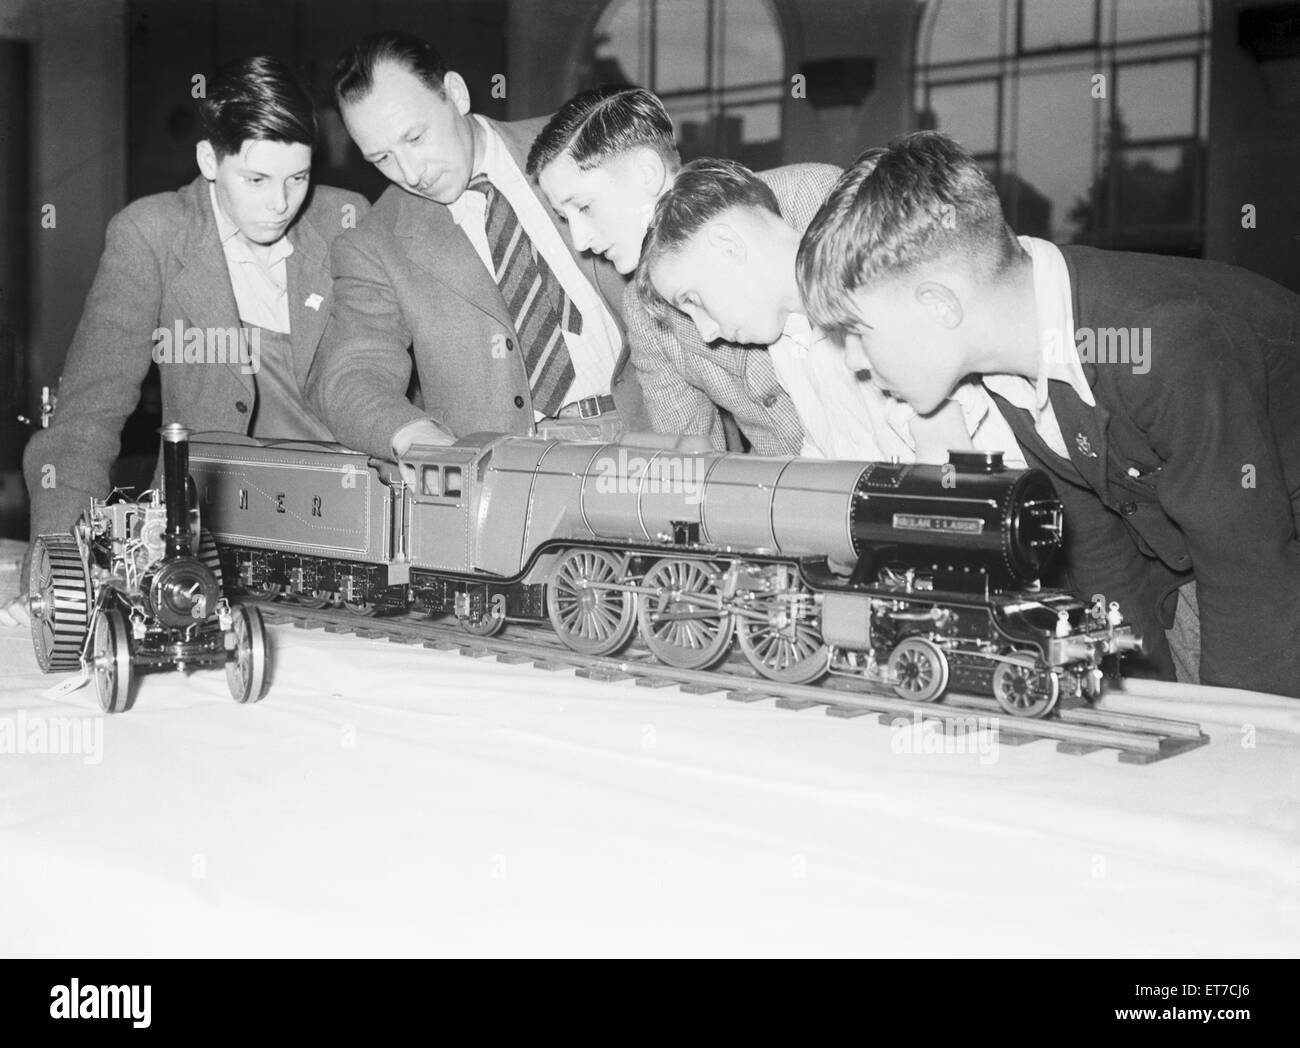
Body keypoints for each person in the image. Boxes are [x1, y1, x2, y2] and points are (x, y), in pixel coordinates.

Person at [796, 130, 1300, 697]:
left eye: (858, 333)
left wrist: (1234, 742)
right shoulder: (1013, 358)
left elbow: (1249, 570)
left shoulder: (1156, 343)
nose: (857, 362)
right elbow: (1103, 556)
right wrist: (1134, 697)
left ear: (939, 304)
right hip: (1203, 566)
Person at [3, 56, 367, 628]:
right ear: (208, 160)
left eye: (298, 178)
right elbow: (87, 414)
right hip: (199, 548)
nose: (280, 203)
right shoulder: (151, 235)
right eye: (257, 179)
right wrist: (61, 571)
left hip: (343, 536)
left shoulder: (345, 220)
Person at [305, 31, 645, 461]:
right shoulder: (375, 243)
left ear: (456, 93)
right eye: (382, 159)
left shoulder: (582, 145)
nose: (410, 173)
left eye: (414, 138)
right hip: (504, 471)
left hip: (647, 438)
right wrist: (415, 435)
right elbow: (348, 375)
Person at [635, 157, 1024, 465]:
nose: (705, 332)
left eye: (693, 300)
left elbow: (945, 468)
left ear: (726, 245)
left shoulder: (872, 297)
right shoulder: (789, 342)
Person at [527, 86, 825, 454]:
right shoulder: (644, 312)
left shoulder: (814, 199)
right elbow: (691, 462)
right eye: (563, 218)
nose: (580, 240)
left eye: (584, 207)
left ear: (647, 172)